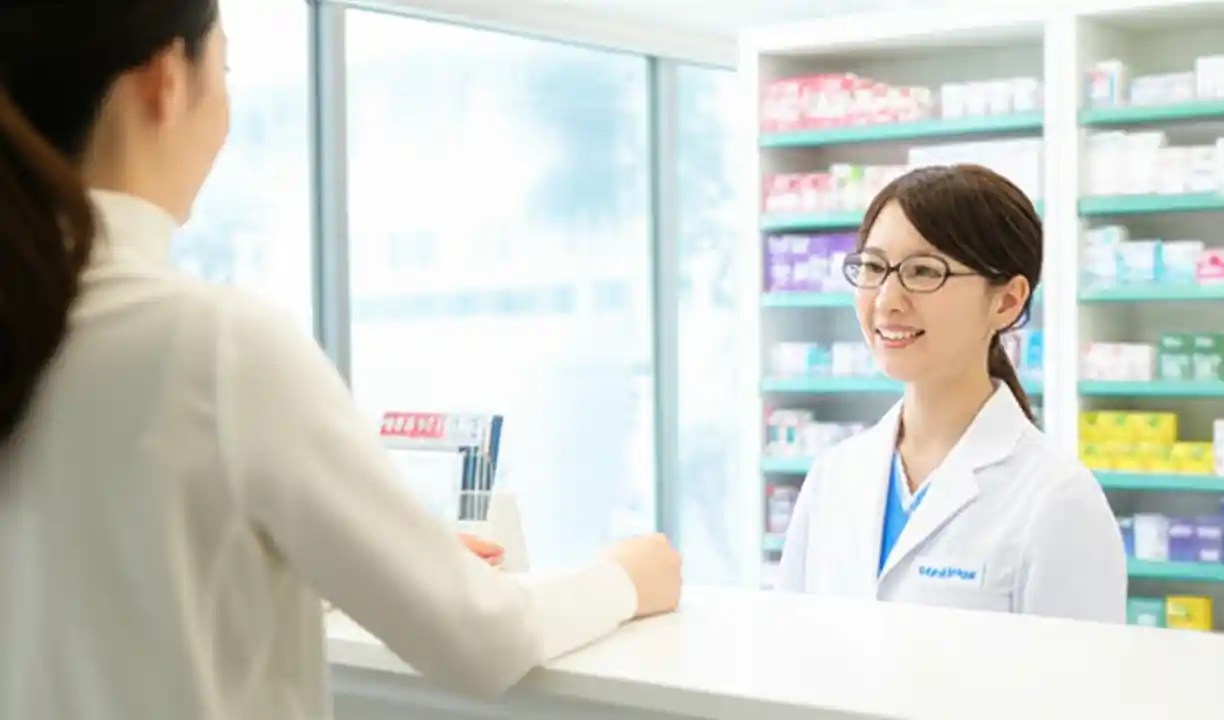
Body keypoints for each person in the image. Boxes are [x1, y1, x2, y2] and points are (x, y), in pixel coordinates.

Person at [0, 2, 681, 718]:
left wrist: (352, 548)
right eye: (224, 70)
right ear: (166, 81)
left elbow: (100, 563)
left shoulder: (38, 322)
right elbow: (482, 639)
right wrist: (623, 579)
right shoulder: (216, 347)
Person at [777, 165, 1126, 623]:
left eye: (924, 272)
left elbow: (1080, 688)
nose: (886, 299)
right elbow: (791, 652)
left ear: (1006, 301)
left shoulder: (1058, 500)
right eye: (874, 267)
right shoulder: (833, 477)